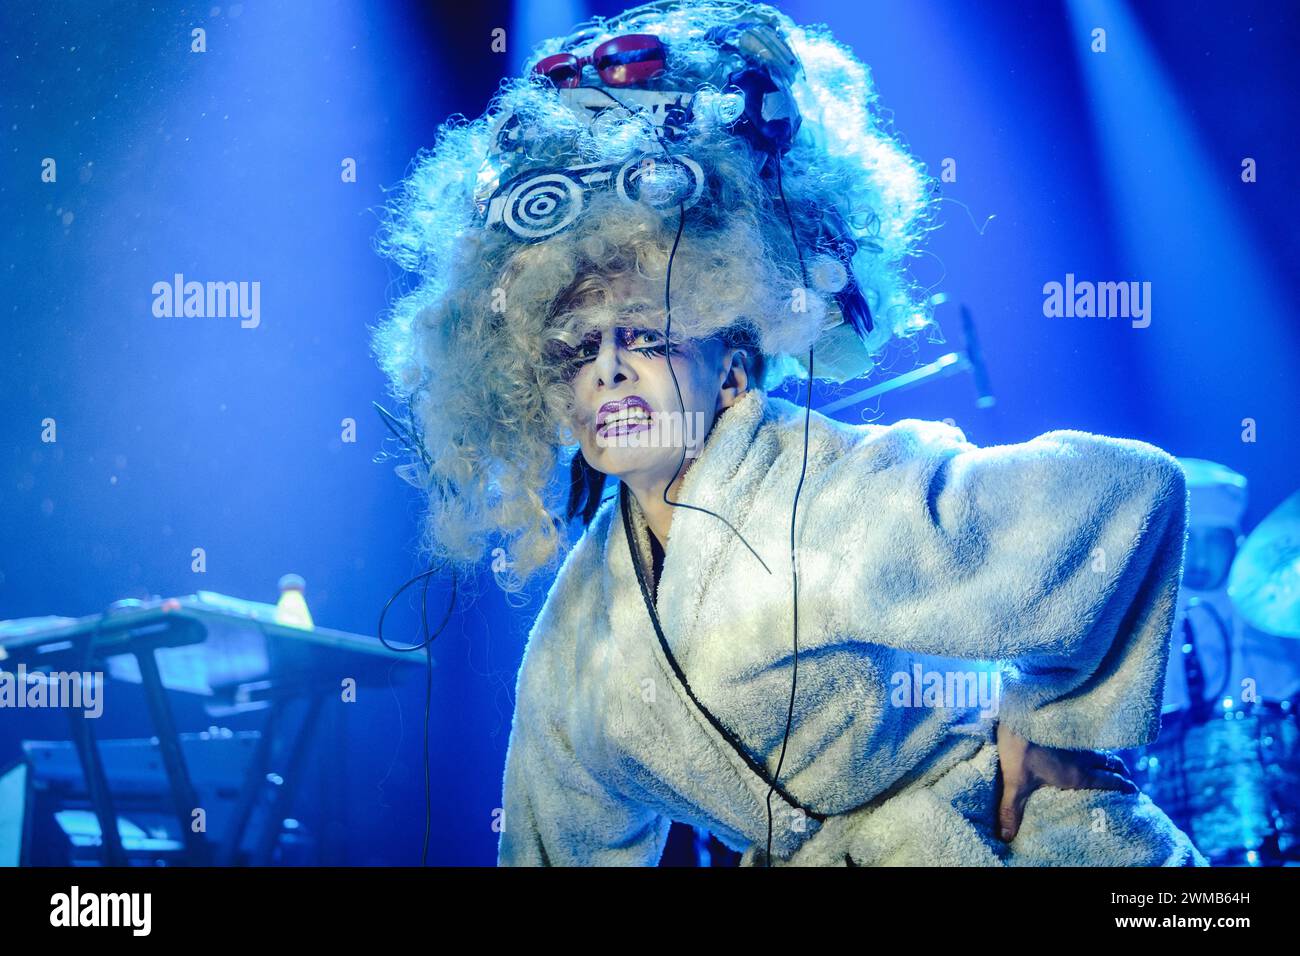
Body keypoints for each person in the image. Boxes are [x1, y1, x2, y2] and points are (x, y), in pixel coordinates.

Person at [371, 0, 1203, 866]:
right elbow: (551, 844)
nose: (608, 371)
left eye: (647, 337)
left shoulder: (838, 492)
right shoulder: (579, 634)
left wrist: (1058, 727)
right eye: (578, 350)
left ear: (730, 370)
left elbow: (1126, 495)